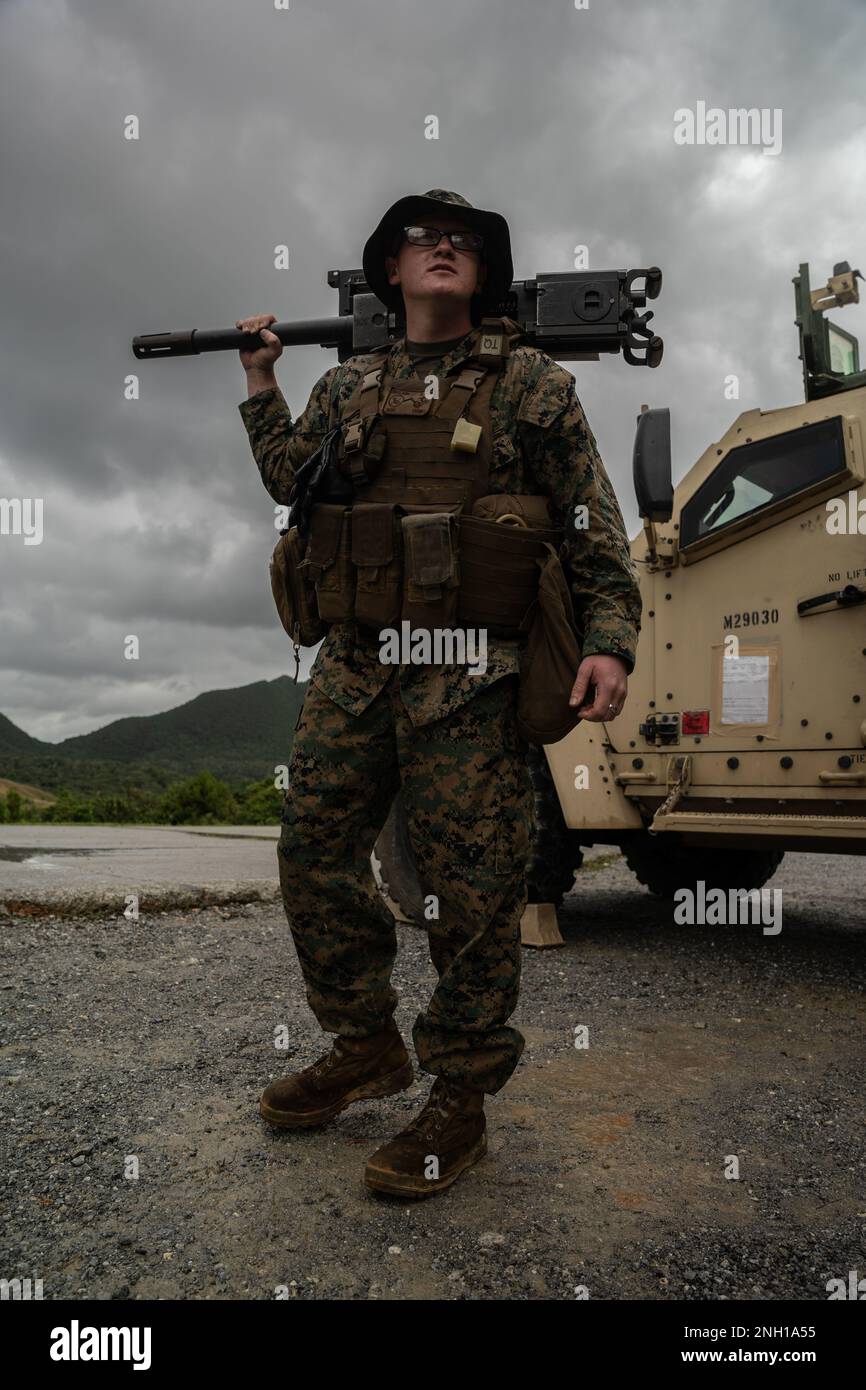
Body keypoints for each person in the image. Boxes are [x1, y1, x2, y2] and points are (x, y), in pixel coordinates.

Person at [237, 190, 641, 1198]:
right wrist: (260, 381)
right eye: (422, 238)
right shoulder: (348, 388)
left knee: (472, 889)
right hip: (359, 661)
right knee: (312, 851)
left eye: (463, 241)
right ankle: (364, 1043)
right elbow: (292, 477)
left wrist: (609, 640)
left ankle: (457, 1100)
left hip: (474, 668)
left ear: (482, 274)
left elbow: (591, 515)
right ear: (389, 271)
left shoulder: (529, 386)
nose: (444, 247)